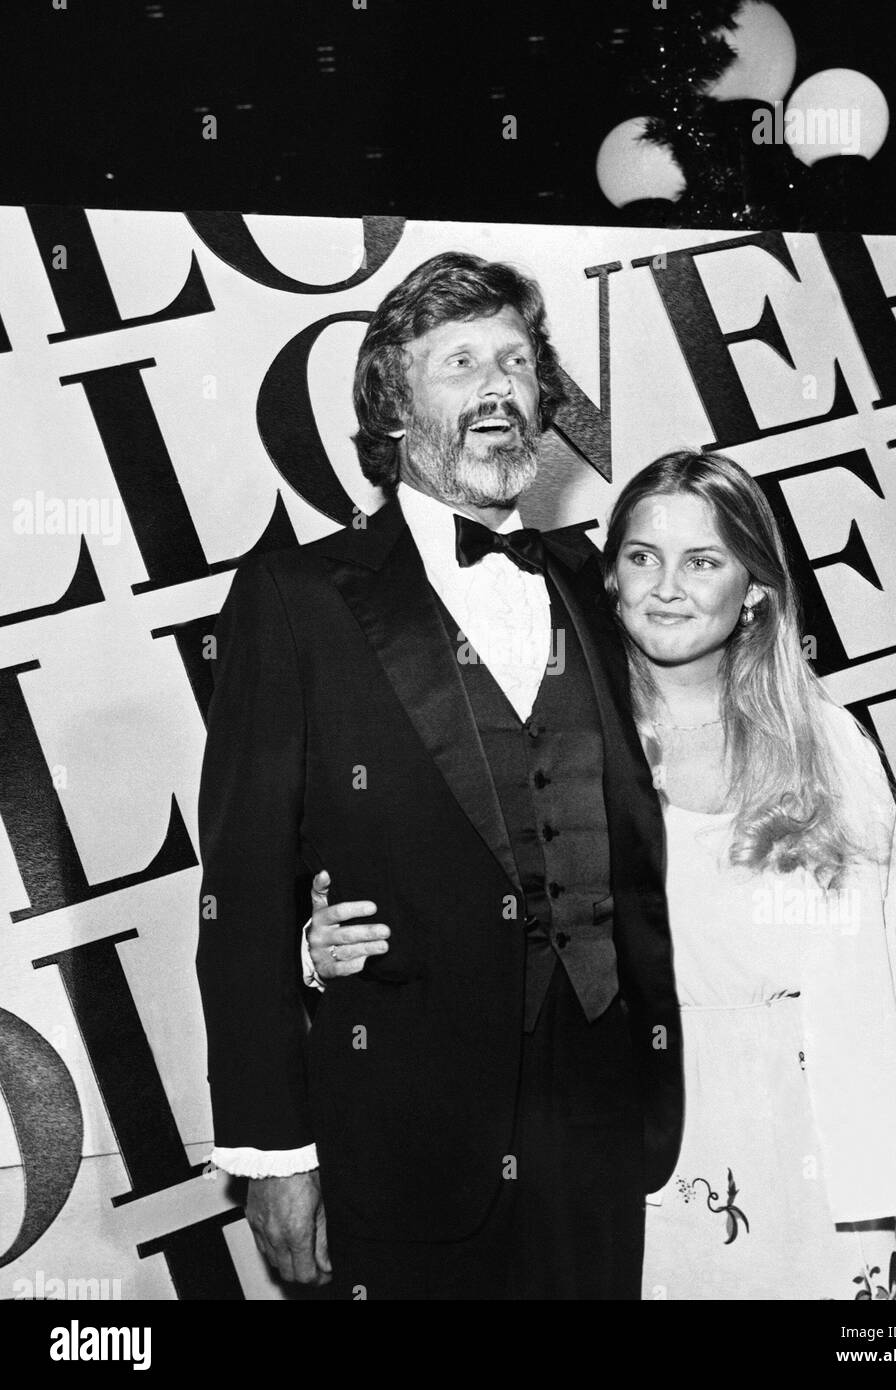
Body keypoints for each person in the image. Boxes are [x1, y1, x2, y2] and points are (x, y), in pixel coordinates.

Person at [310, 449, 896, 1300]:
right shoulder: (559, 736)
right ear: (608, 579)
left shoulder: (827, 744)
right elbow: (456, 898)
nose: (667, 586)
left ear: (756, 588)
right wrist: (318, 947)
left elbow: (882, 982)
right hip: (628, 1131)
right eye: (640, 557)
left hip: (820, 1137)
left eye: (703, 561)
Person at [195, 251, 683, 1301]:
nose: (500, 386)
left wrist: (850, 826)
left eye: (516, 360)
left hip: (605, 1116)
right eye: (461, 361)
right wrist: (275, 1156)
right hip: (406, 1130)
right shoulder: (294, 595)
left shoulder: (598, 581)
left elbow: (708, 739)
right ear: (394, 402)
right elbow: (237, 895)